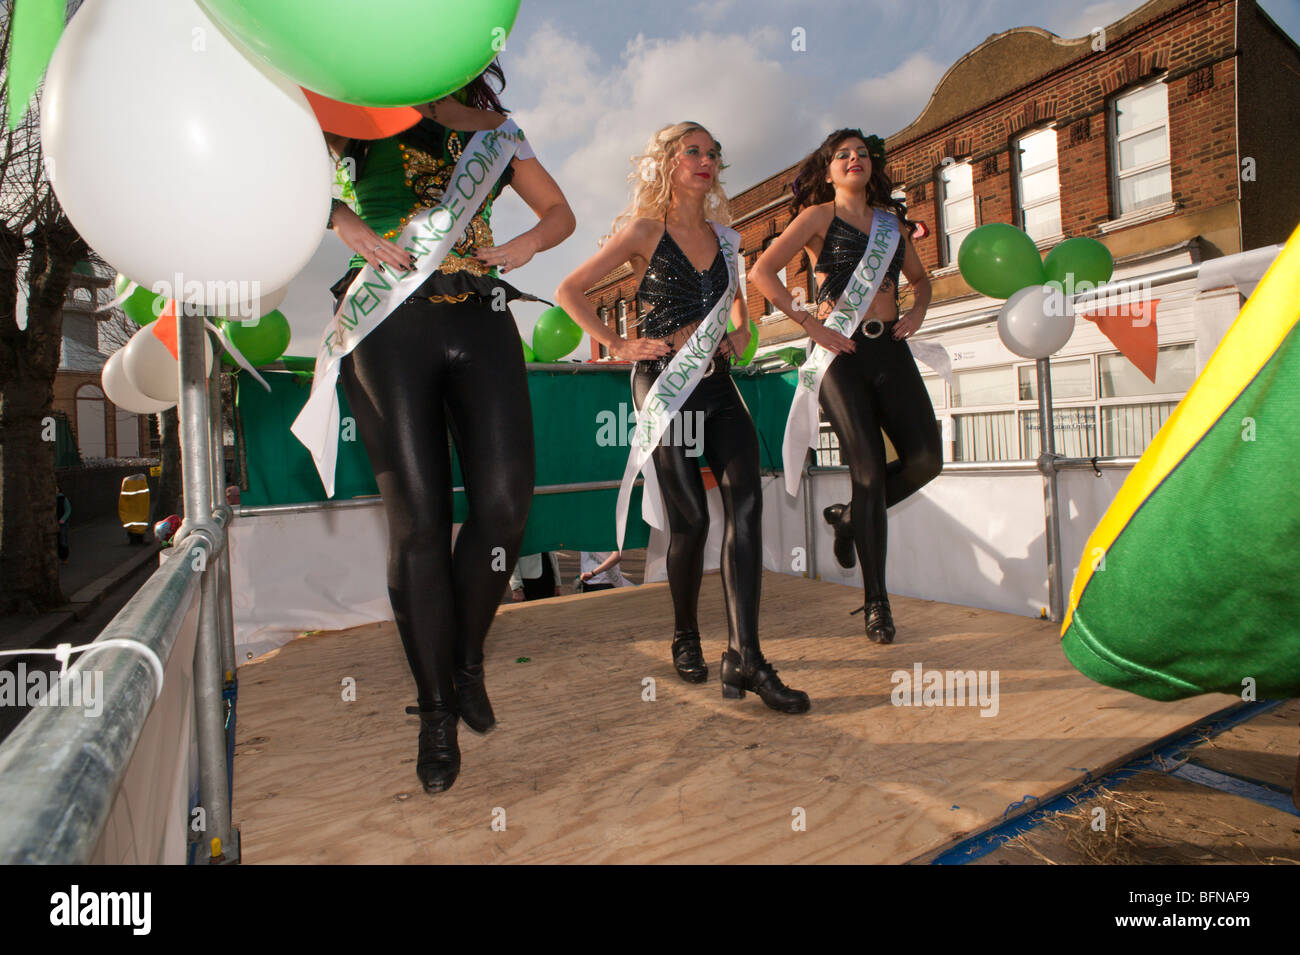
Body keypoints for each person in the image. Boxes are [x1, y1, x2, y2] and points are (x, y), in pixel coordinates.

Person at [315, 62, 575, 794]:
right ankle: (435, 708)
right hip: (389, 315)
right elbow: (294, 181)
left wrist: (526, 246)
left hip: (482, 311)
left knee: (504, 504)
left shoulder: (499, 129)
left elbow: (560, 212)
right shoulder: (364, 102)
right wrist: (347, 222)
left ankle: (465, 658)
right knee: (420, 522)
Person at [556, 121, 809, 714]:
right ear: (667, 162)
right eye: (692, 151)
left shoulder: (729, 238)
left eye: (713, 153)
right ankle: (685, 633)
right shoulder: (645, 230)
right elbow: (572, 290)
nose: (705, 160)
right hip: (665, 385)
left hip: (717, 387)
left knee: (747, 506)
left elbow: (739, 304)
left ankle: (746, 656)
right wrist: (616, 345)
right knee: (690, 520)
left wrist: (740, 329)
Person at [751, 128, 941, 644]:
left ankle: (849, 517)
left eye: (861, 154)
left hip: (890, 349)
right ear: (829, 169)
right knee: (870, 471)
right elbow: (761, 272)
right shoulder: (816, 218)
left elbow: (921, 281)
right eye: (842, 155)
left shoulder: (892, 226)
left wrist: (918, 310)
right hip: (841, 357)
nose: (853, 159)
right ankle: (877, 602)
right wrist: (809, 324)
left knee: (927, 459)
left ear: (871, 167)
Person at [55, 488, 71, 564]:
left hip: (62, 523)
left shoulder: (63, 499)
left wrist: (63, 519)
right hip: (54, 522)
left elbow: (68, 510)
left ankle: (65, 557)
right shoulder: (51, 499)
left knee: (63, 540)